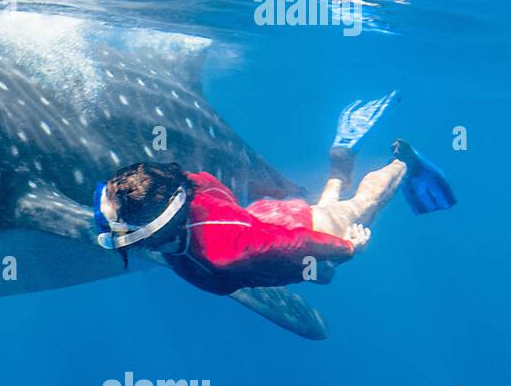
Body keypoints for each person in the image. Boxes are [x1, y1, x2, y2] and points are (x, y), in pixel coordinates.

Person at [92, 92, 456, 295]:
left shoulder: (223, 255)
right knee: (324, 224)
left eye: (119, 229)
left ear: (153, 233)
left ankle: (403, 164)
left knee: (363, 206)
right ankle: (340, 161)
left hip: (293, 235)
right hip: (266, 220)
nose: (106, 227)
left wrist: (347, 249)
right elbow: (203, 179)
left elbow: (297, 245)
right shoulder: (192, 188)